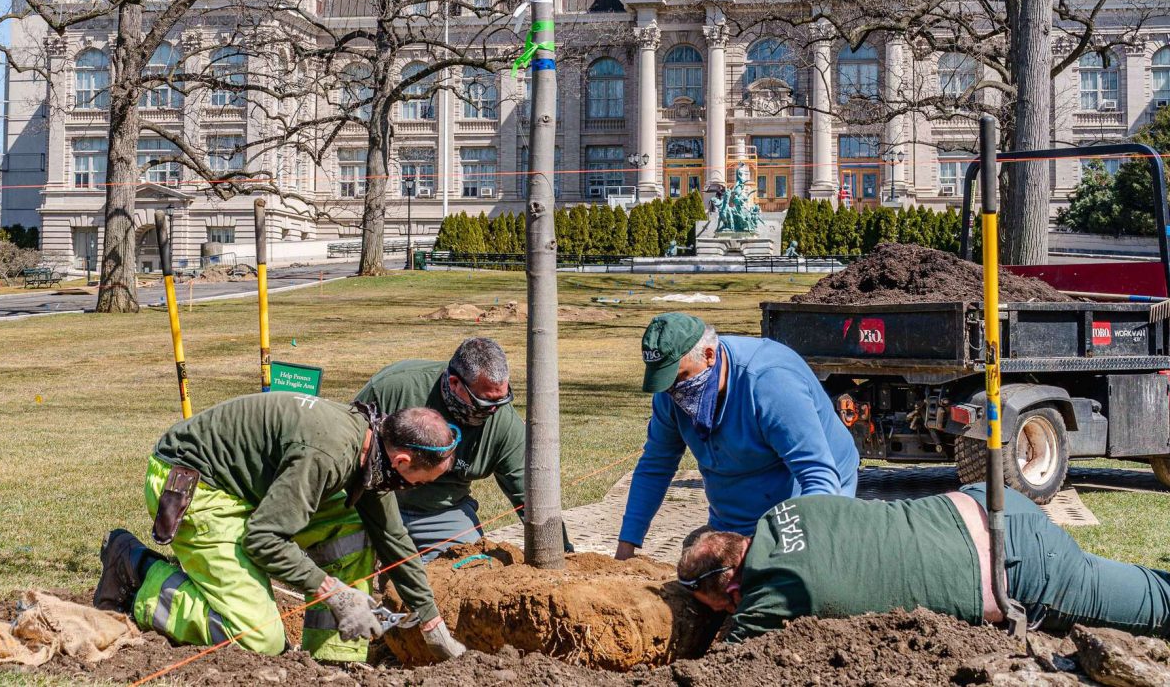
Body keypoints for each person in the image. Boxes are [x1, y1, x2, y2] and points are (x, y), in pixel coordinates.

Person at [92, 393, 466, 663]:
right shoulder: (329, 455)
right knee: (259, 639)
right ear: (401, 460)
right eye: (419, 482)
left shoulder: (372, 447)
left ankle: (332, 658)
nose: (413, 490)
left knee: (353, 532)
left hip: (247, 487)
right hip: (194, 485)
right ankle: (136, 572)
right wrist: (333, 592)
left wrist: (433, 624)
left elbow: (392, 537)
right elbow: (264, 539)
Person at [678, 485, 1170, 639]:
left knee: (1157, 606)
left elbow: (728, 663)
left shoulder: (769, 597)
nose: (727, 614)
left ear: (731, 585)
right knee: (1135, 584)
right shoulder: (785, 511)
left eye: (720, 606)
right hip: (983, 506)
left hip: (1015, 570)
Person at [616, 313, 859, 559]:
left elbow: (818, 477)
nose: (673, 391)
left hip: (806, 499)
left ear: (709, 356)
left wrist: (799, 551)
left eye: (679, 378)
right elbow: (655, 465)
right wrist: (626, 545)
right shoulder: (670, 394)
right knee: (702, 569)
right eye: (665, 383)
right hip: (736, 510)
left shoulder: (770, 382)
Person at [356, 338, 557, 561]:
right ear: (454, 383)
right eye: (484, 402)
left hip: (440, 513)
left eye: (501, 402)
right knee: (343, 564)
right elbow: (347, 449)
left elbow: (527, 492)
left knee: (468, 572)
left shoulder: (503, 423)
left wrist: (559, 551)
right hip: (372, 501)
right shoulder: (394, 388)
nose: (493, 411)